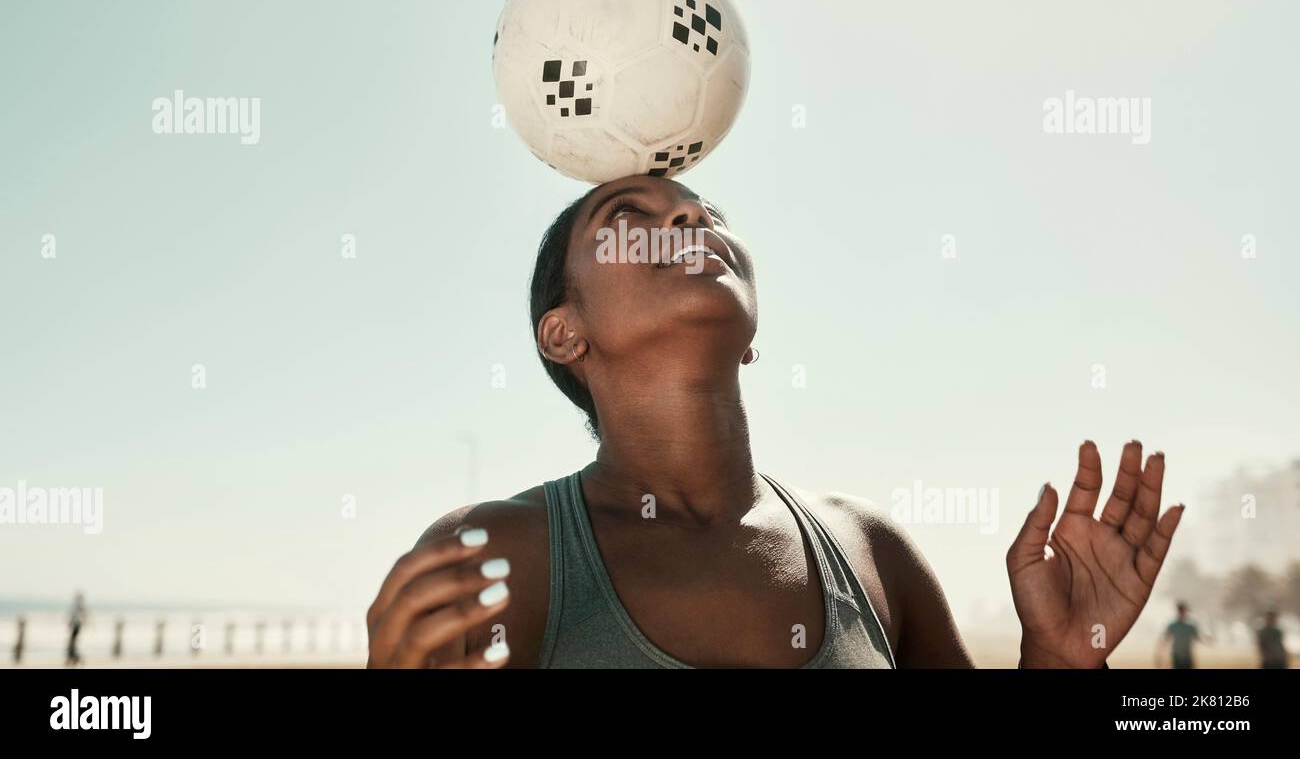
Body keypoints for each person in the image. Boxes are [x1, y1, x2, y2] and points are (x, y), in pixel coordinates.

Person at [366, 176, 1186, 668]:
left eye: (702, 209)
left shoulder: (870, 548)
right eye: (628, 217)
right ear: (563, 332)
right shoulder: (498, 552)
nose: (689, 221)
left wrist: (1058, 659)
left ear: (751, 339)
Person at [1160, 602, 1204, 669]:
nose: (1181, 613)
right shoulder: (1173, 625)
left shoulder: (1191, 626)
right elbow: (1166, 639)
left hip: (1187, 656)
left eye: (1182, 611)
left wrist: (1207, 640)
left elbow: (1198, 638)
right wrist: (1161, 654)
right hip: (1176, 656)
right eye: (1180, 611)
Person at [65, 592, 86, 667]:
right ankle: (75, 658)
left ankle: (75, 658)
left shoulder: (77, 605)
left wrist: (70, 623)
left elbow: (74, 616)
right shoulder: (80, 605)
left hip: (76, 626)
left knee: (72, 643)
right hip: (77, 626)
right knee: (72, 643)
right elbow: (82, 615)